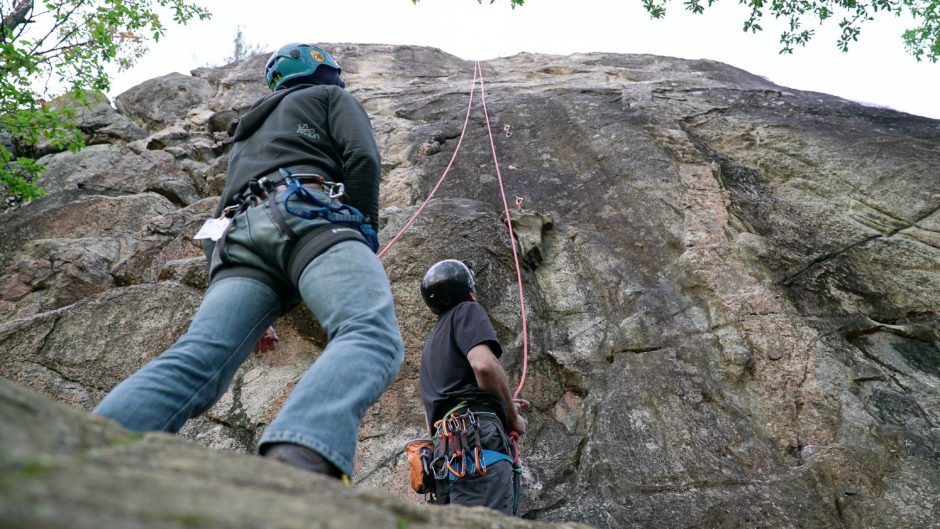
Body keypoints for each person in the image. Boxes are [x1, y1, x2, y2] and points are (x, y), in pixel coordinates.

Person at [94, 43, 404, 481]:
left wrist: (247, 298)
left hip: (238, 240)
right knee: (370, 334)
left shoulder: (246, 135)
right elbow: (362, 159)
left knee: (198, 356)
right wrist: (362, 232)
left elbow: (216, 218)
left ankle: (93, 447)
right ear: (324, 68)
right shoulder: (331, 97)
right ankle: (299, 461)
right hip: (311, 217)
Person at [418, 259, 529, 514]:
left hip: (445, 453)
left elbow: (432, 415)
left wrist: (503, 403)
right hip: (475, 439)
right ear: (470, 293)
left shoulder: (431, 347)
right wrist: (512, 418)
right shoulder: (468, 310)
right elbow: (484, 366)